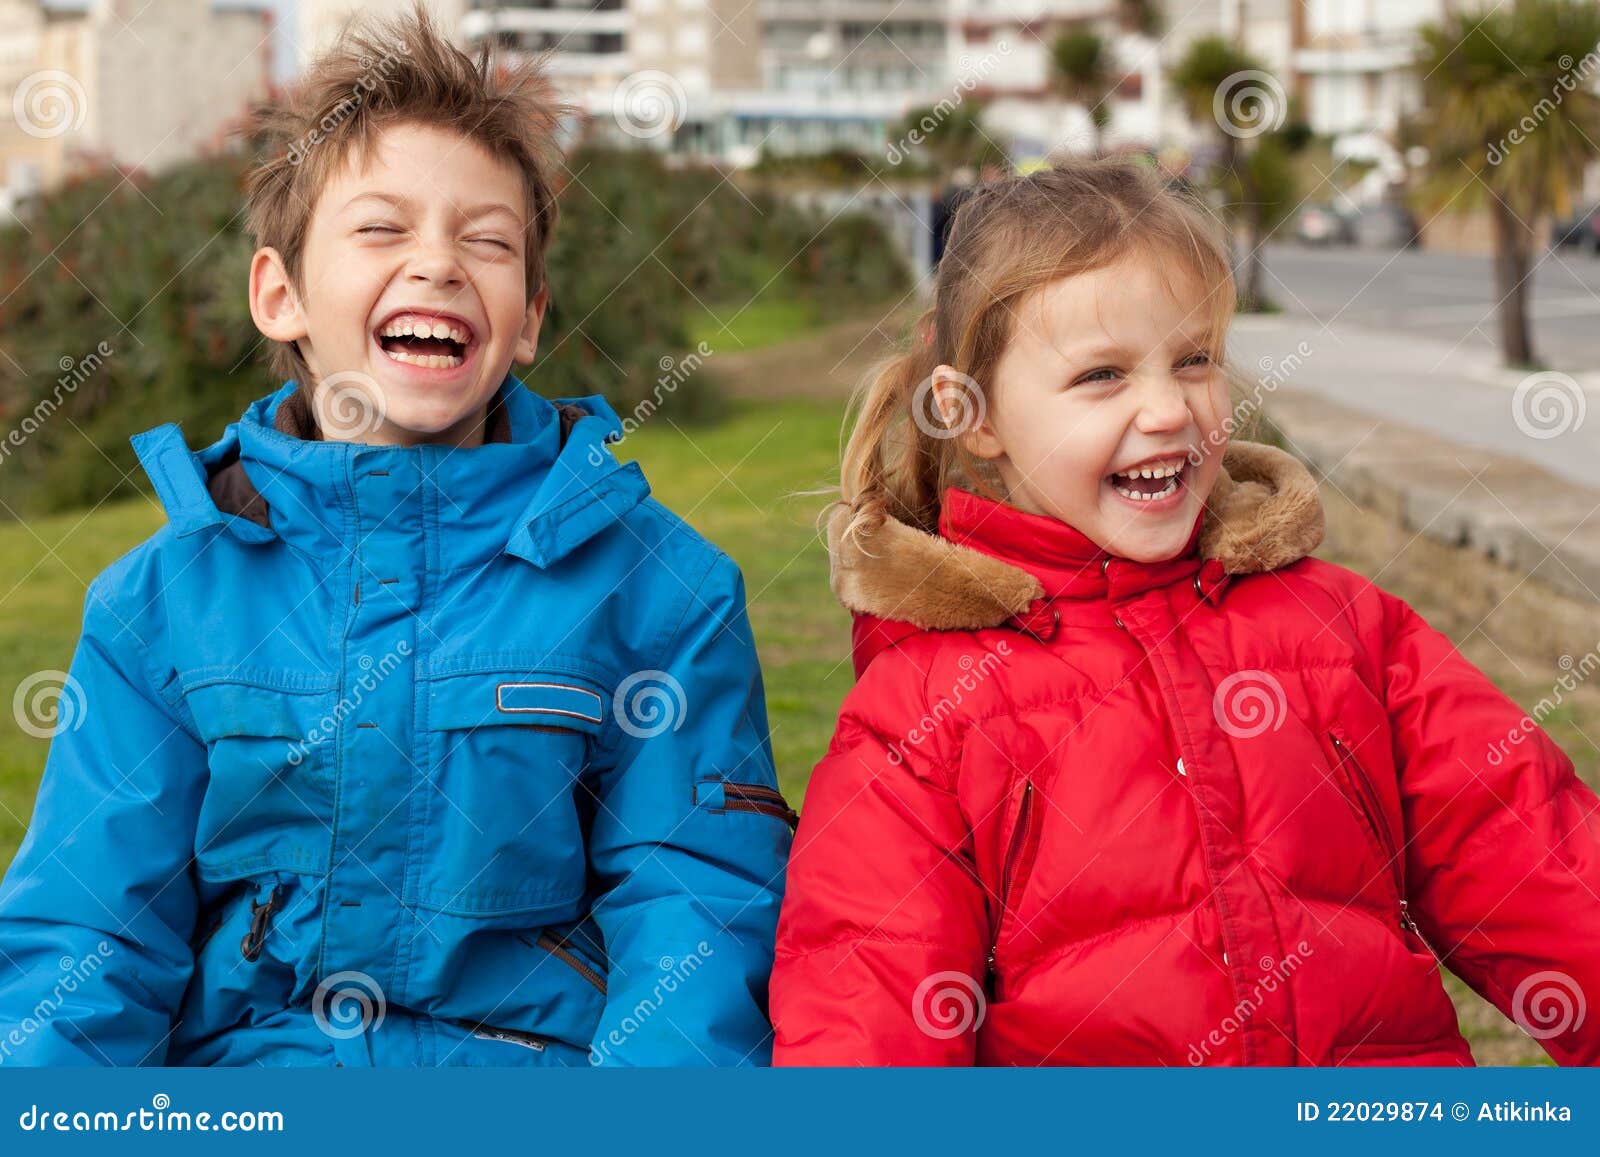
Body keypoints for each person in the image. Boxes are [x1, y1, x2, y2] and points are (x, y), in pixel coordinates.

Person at [0, 4, 792, 1067]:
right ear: (280, 294)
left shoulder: (660, 589)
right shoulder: (160, 604)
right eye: (382, 228)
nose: (439, 264)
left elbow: (693, 910)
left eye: (487, 240)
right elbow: (89, 936)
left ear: (529, 316)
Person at [769, 160, 1600, 1066]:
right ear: (974, 416)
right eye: (1102, 375)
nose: (1169, 410)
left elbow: (1534, 853)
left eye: (1194, 360)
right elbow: (869, 1008)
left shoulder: (1347, 628)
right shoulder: (920, 717)